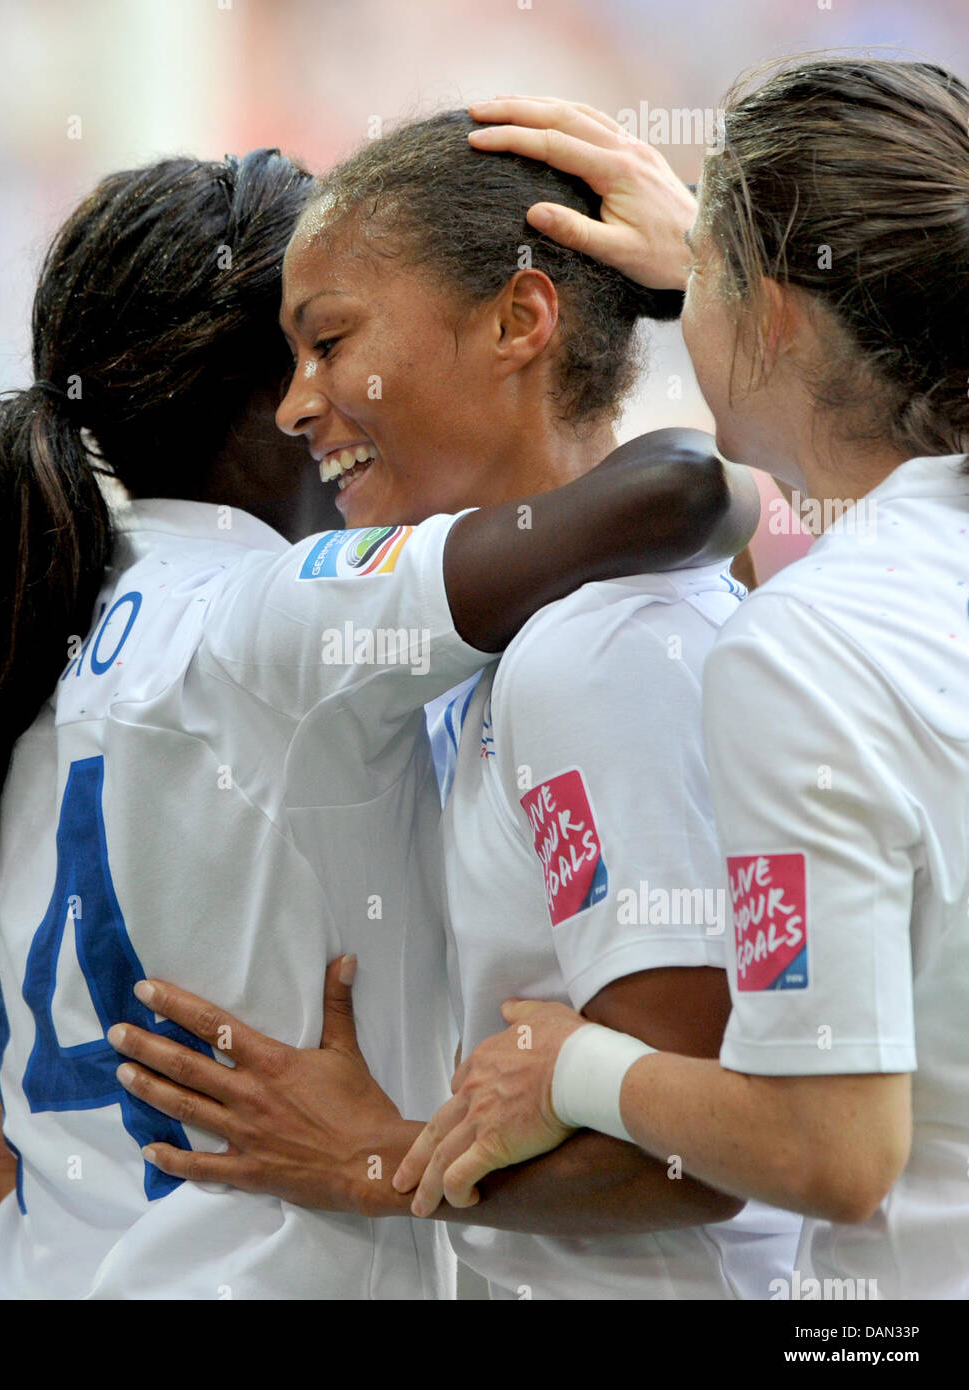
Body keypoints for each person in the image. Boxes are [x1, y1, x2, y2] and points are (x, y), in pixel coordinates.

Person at [0, 148, 752, 1298]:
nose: (315, 395)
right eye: (308, 344)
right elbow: (678, 488)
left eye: (341, 343)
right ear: (263, 380)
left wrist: (51, 1121)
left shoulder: (28, 624)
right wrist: (701, 282)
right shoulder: (282, 614)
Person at [82, 111, 798, 1300]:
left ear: (519, 320)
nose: (296, 406)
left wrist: (372, 1164)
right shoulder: (490, 658)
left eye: (329, 343)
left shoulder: (602, 654)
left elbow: (696, 1153)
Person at [394, 62, 969, 1301]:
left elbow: (833, 1150)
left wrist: (570, 1065)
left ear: (770, 318)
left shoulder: (807, 646)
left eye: (698, 271)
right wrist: (718, 261)